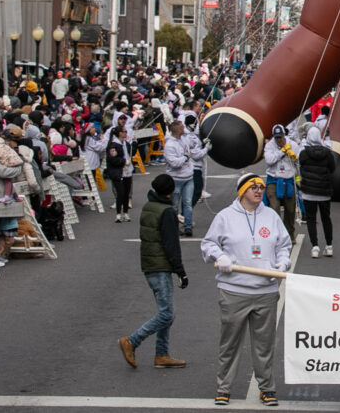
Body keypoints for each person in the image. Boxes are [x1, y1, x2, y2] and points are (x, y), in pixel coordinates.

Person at [201, 173, 292, 407]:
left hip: (265, 291)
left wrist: (283, 262)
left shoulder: (271, 216)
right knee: (229, 343)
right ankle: (224, 388)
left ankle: (267, 388)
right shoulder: (225, 217)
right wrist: (219, 255)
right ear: (242, 191)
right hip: (234, 291)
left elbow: (284, 244)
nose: (259, 191)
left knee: (264, 345)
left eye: (261, 187)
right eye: (254, 187)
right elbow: (208, 243)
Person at [119, 173, 189, 369]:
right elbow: (171, 244)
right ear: (170, 191)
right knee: (167, 314)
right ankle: (132, 340)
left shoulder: (150, 206)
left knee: (164, 310)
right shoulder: (167, 212)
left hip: (149, 263)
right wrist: (180, 271)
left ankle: (162, 353)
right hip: (160, 265)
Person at [297, 125, 335, 258]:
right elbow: (332, 168)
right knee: (326, 218)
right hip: (324, 191)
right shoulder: (327, 152)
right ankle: (329, 246)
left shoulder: (304, 153)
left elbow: (300, 165)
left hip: (308, 190)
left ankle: (315, 247)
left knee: (311, 219)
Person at [262, 125, 298, 239]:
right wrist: (282, 152)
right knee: (274, 207)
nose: (279, 140)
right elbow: (269, 160)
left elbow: (299, 160)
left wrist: (293, 155)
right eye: (277, 138)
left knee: (290, 208)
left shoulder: (292, 144)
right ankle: (275, 234)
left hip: (288, 180)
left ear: (284, 135)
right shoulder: (269, 146)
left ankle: (289, 233)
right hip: (274, 179)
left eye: (281, 137)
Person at [163, 118, 197, 237]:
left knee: (188, 203)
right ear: (177, 130)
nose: (184, 129)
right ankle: (174, 227)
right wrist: (185, 158)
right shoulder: (169, 145)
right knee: (174, 205)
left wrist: (193, 134)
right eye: (182, 128)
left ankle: (187, 226)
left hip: (188, 177)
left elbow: (194, 144)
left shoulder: (184, 139)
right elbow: (174, 163)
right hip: (176, 178)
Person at [105, 123, 135, 222]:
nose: (126, 133)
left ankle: (126, 213)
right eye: (124, 132)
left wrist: (135, 143)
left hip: (127, 172)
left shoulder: (125, 144)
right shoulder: (114, 145)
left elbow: (132, 153)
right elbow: (112, 159)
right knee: (120, 193)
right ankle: (118, 214)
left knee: (126, 193)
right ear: (119, 133)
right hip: (119, 172)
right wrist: (123, 161)